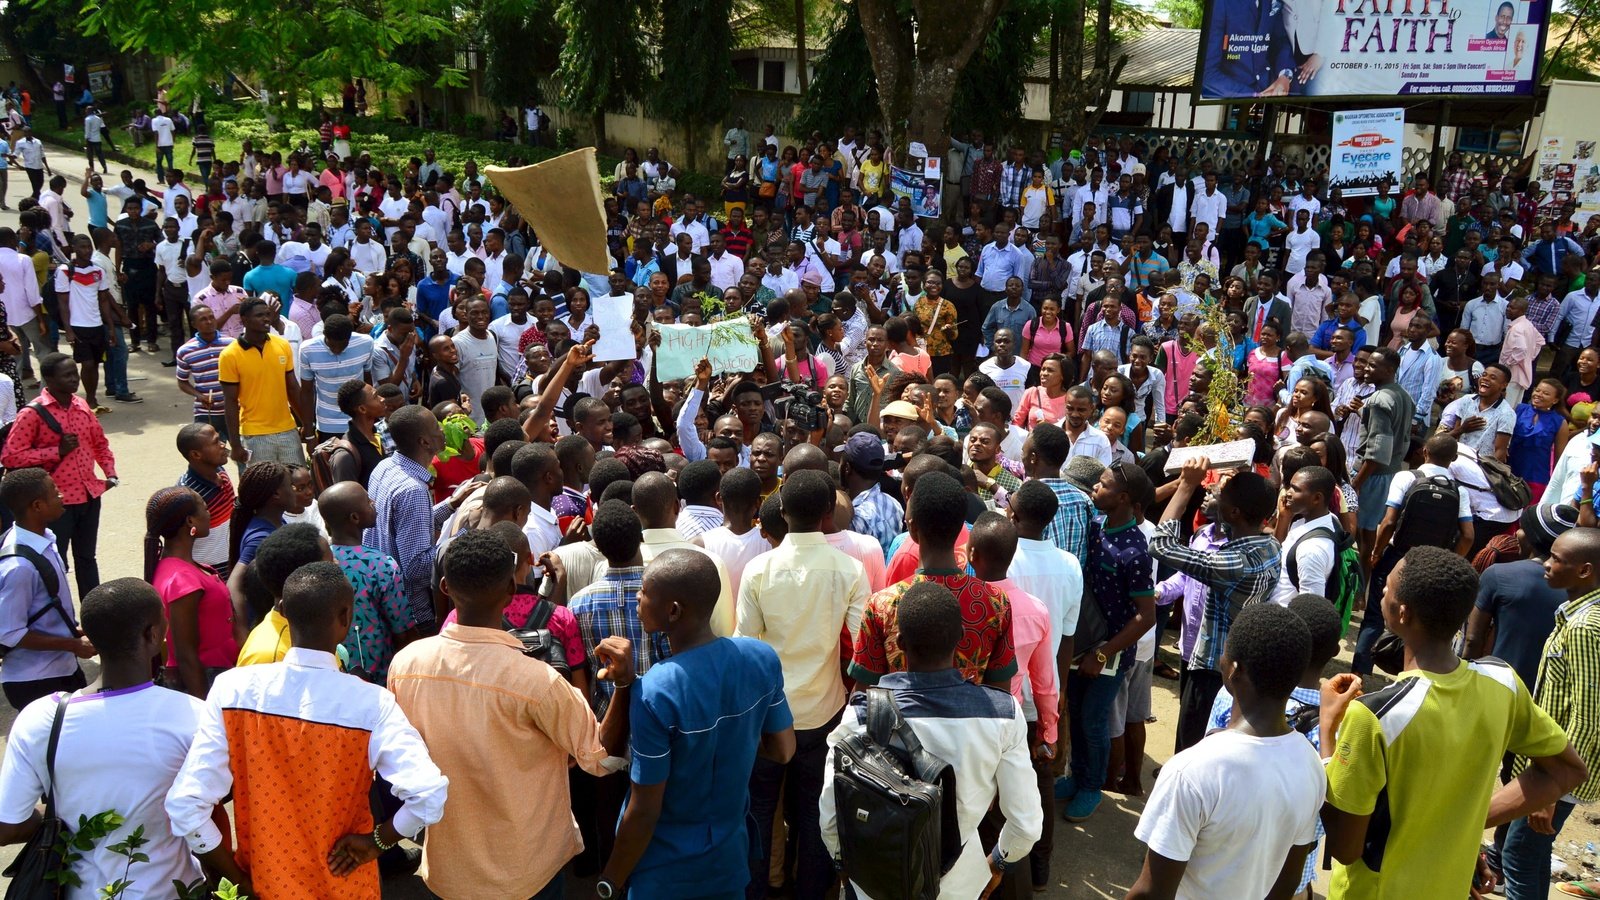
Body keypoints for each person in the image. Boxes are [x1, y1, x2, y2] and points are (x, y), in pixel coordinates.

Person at [166, 561, 450, 899]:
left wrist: (237, 880)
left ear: (283, 611)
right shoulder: (372, 705)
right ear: (346, 619)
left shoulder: (233, 690)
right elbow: (429, 796)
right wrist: (379, 841)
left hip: (264, 884)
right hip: (345, 886)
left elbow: (186, 807)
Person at [1318, 547, 1586, 899]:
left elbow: (1345, 847)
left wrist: (1327, 730)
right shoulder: (1502, 683)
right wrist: (1463, 825)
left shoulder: (1375, 715)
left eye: (1388, 587)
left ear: (1402, 613)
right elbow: (1565, 770)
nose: (1382, 590)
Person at [389, 528, 635, 900]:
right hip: (528, 871)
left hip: (448, 869)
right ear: (510, 590)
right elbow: (599, 759)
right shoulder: (539, 681)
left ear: (444, 587)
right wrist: (623, 685)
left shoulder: (406, 665)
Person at [820, 580, 1043, 899]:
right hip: (958, 883)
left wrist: (845, 867)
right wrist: (997, 863)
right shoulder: (1002, 715)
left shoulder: (861, 716)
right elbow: (1026, 823)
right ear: (961, 641)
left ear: (899, 641)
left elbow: (830, 816)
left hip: (874, 883)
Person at [596, 549, 796, 899]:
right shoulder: (759, 658)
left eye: (644, 592)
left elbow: (644, 811)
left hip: (664, 873)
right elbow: (783, 750)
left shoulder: (656, 692)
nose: (638, 599)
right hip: (729, 861)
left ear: (673, 611)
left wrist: (610, 881)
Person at [0, 579, 206, 895]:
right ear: (152, 635)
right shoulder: (193, 715)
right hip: (171, 890)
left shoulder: (41, 719)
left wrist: (64, 815)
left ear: (92, 641)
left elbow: (7, 826)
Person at [1127, 604, 1323, 900]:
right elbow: (1289, 878)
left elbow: (1151, 892)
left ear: (1233, 670)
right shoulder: (1311, 763)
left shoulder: (1191, 771)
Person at [735, 470, 869, 900]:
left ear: (782, 511)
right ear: (829, 514)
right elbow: (862, 650)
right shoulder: (849, 569)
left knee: (758, 811)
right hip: (823, 714)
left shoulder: (759, 569)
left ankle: (757, 891)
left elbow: (744, 647)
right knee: (814, 813)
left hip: (766, 717)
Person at [1495, 527, 1600, 899]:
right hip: (1551, 768)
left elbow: (1587, 717)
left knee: (1518, 858)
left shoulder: (1586, 627)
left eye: (1557, 559)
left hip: (1557, 773)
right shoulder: (1576, 614)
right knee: (1532, 856)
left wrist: (1553, 787)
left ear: (1585, 571)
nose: (1547, 565)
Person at [1150, 457, 1282, 752]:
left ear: (1234, 512)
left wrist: (1186, 486)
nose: (1212, 493)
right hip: (1232, 663)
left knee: (1192, 747)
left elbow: (1160, 545)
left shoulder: (1232, 562)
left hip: (1212, 670)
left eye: (1221, 496)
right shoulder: (1269, 546)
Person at [2, 352, 118, 599]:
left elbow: (99, 442)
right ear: (49, 380)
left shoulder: (82, 405)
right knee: (57, 561)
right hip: (56, 501)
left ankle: (94, 614)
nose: (74, 379)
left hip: (89, 495)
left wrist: (110, 473)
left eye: (74, 374)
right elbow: (11, 456)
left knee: (87, 558)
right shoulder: (32, 414)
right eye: (66, 376)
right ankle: (62, 616)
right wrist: (56, 451)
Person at [0, 468, 92, 710]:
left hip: (63, 668)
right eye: (55, 492)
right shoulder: (19, 567)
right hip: (36, 680)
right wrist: (72, 644)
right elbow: (9, 633)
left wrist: (77, 632)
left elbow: (46, 606)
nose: (62, 495)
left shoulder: (44, 539)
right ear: (37, 506)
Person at [363, 404, 452, 630]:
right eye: (436, 427)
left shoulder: (384, 467)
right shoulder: (413, 490)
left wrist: (452, 504)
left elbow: (407, 527)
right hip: (413, 614)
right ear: (424, 442)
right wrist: (461, 538)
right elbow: (417, 569)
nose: (443, 430)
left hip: (384, 603)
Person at [321, 481, 417, 684]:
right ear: (355, 518)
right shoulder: (381, 565)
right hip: (378, 676)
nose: (373, 503)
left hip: (334, 673)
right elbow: (403, 630)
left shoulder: (319, 560)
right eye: (367, 501)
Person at [146, 485, 238, 697]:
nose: (209, 514)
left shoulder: (185, 568)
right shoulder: (182, 580)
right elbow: (185, 655)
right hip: (207, 681)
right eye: (205, 509)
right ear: (190, 521)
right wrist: (203, 708)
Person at [219, 298, 312, 466]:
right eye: (259, 315)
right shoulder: (229, 355)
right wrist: (235, 445)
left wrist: (308, 426)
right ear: (244, 320)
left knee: (298, 482)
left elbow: (293, 389)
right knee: (265, 488)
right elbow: (230, 402)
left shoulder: (282, 345)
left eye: (268, 314)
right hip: (255, 435)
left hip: (288, 430)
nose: (266, 319)